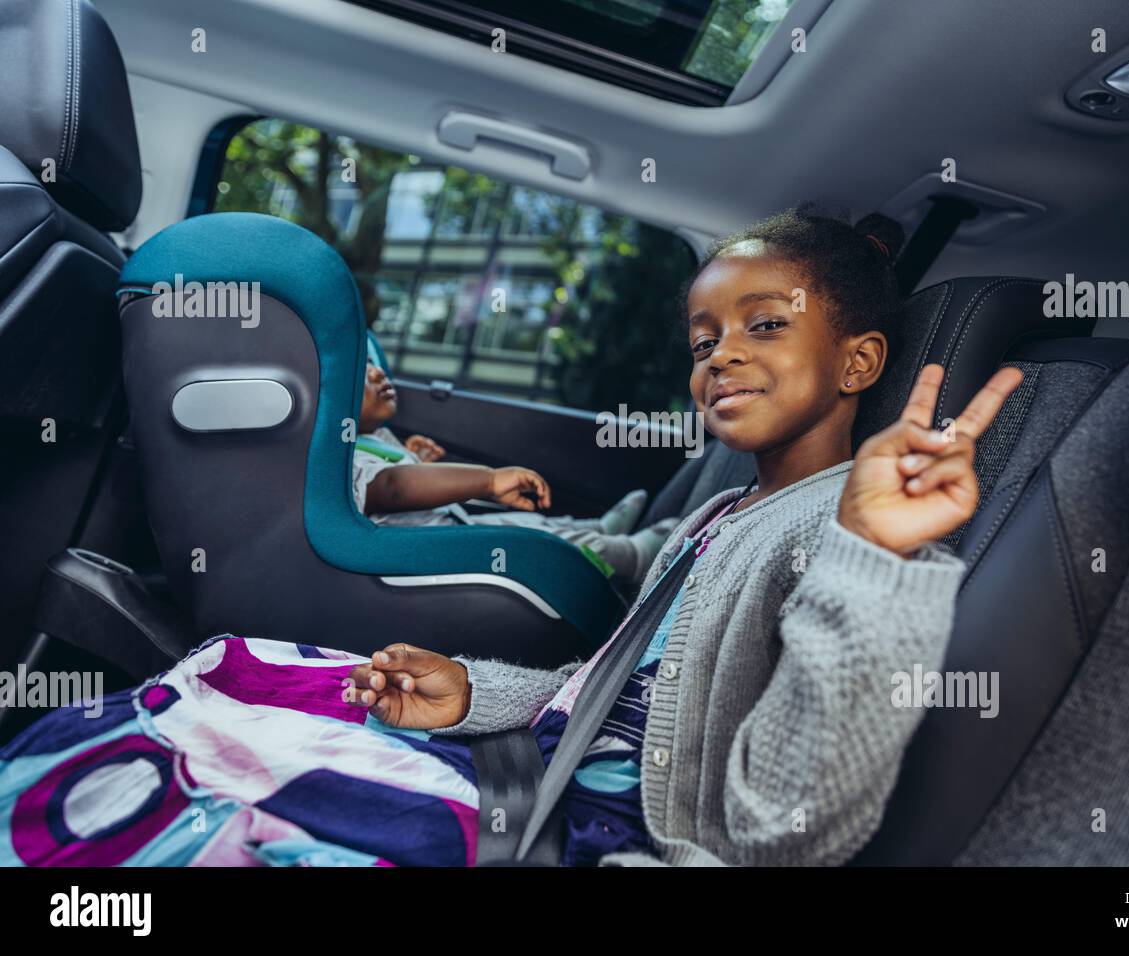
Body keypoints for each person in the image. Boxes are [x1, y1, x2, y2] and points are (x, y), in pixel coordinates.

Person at [0, 206, 1021, 867]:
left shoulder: (846, 534)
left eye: (764, 326)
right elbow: (617, 700)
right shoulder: (727, 512)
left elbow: (788, 827)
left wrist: (875, 558)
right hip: (545, 763)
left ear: (857, 363)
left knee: (170, 813)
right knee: (231, 675)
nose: (718, 358)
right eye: (703, 339)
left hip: (605, 832)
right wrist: (471, 692)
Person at [353, 351, 675, 581]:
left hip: (455, 529)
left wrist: (417, 461)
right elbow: (393, 488)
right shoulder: (341, 461)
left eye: (371, 362)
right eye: (360, 373)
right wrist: (489, 482)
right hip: (438, 552)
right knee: (539, 542)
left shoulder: (374, 436)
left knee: (527, 520)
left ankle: (597, 529)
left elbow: (402, 484)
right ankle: (631, 557)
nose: (377, 371)